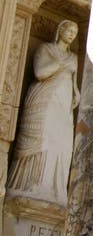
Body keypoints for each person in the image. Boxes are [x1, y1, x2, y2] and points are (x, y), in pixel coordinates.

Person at [6, 19, 80, 206]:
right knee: (42, 139)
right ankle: (29, 185)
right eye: (69, 30)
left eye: (75, 32)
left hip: (63, 106)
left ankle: (54, 190)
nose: (71, 34)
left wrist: (76, 94)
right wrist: (61, 64)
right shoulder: (46, 49)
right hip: (44, 101)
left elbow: (74, 83)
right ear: (60, 30)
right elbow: (40, 72)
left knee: (61, 144)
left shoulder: (74, 58)